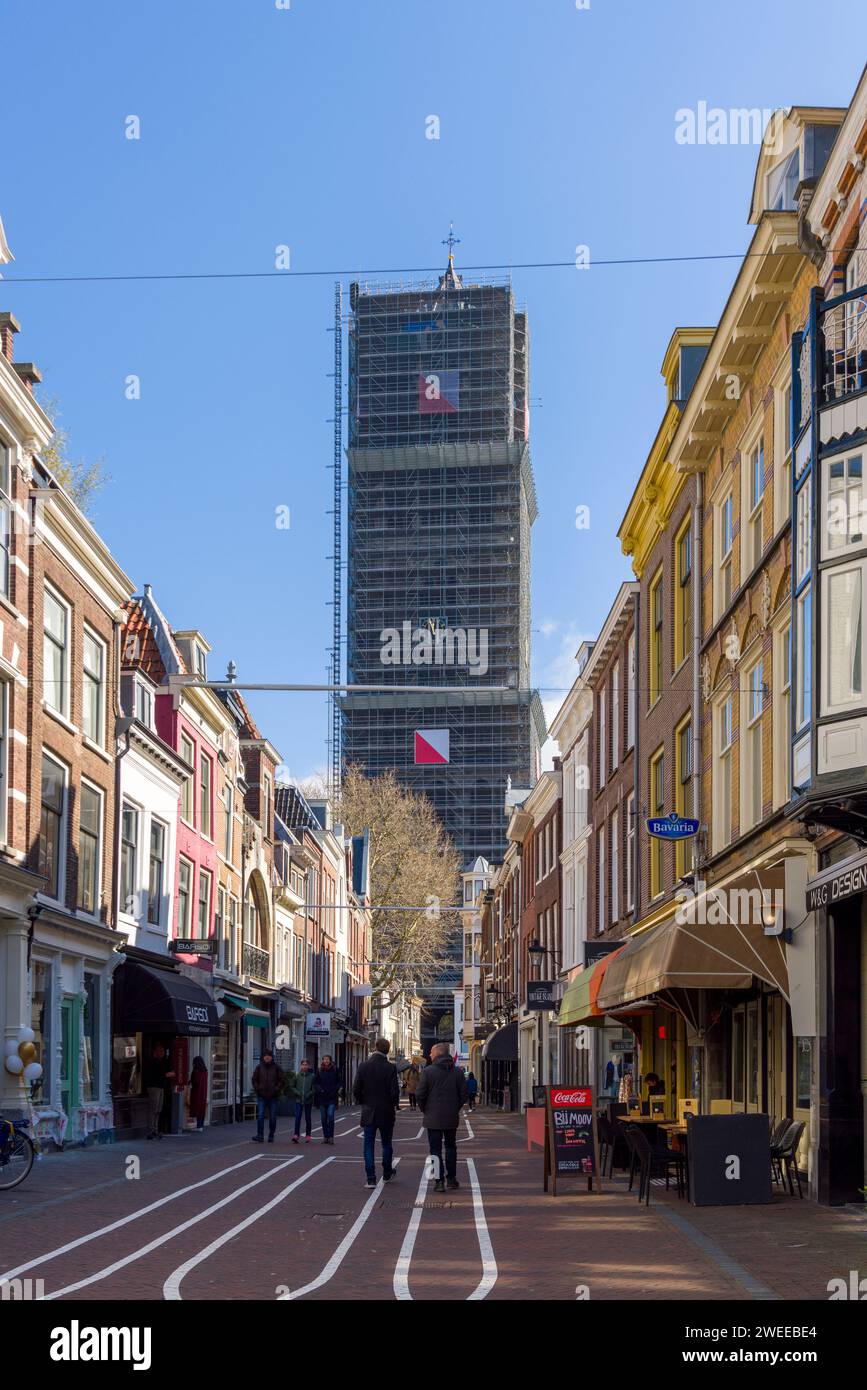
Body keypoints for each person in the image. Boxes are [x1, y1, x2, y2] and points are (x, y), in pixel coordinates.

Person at [416, 1043, 468, 1192]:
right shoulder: (457, 1072)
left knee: (435, 1150)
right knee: (451, 1147)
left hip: (433, 1118)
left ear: (438, 1054)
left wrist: (425, 1109)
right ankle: (451, 1179)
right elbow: (463, 1094)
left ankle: (439, 1181)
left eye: (431, 1053)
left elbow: (420, 1094)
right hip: (451, 1117)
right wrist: (454, 1108)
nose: (430, 1055)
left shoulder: (428, 1072)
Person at [353, 1037, 399, 1188]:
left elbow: (356, 1089)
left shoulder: (363, 1066)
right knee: (386, 1143)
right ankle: (387, 1172)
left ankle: (371, 1178)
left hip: (369, 1110)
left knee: (368, 1144)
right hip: (386, 1111)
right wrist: (393, 1105)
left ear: (375, 1047)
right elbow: (394, 1092)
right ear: (387, 1050)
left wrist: (363, 1102)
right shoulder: (390, 1068)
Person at [144, 1042, 176, 1140]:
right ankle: (150, 1131)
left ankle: (155, 1129)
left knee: (158, 1110)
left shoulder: (162, 1062)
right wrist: (168, 1074)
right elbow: (156, 1075)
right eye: (160, 1051)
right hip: (154, 1087)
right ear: (156, 1052)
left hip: (161, 1087)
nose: (162, 1053)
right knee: (153, 1109)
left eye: (163, 1051)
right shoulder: (152, 1062)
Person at [251, 1048, 283, 1143]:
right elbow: (254, 1079)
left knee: (273, 1117)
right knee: (260, 1116)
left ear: (271, 1057)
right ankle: (260, 1135)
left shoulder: (277, 1067)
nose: (267, 1057)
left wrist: (276, 1089)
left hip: (273, 1096)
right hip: (261, 1095)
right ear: (263, 1057)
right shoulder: (259, 1067)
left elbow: (281, 1080)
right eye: (265, 1056)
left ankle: (271, 1135)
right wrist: (258, 1088)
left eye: (269, 1056)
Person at [314, 1055, 341, 1144]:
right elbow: (316, 1082)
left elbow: (339, 1082)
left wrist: (335, 1089)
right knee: (323, 1118)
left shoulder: (335, 1070)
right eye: (324, 1059)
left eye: (327, 1059)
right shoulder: (319, 1070)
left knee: (330, 1116)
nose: (326, 1061)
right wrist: (320, 1089)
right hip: (322, 1098)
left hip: (332, 1097)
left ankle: (331, 1137)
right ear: (322, 1060)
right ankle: (325, 1136)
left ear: (330, 1060)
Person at [292, 1058, 316, 1143]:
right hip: (298, 1100)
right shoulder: (297, 1075)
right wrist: (297, 1093)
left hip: (308, 1100)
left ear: (308, 1066)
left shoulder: (312, 1076)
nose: (304, 1066)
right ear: (300, 1065)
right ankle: (296, 1134)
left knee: (308, 1118)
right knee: (297, 1117)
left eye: (306, 1065)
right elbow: (292, 1086)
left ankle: (308, 1135)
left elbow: (314, 1089)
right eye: (303, 1064)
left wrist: (309, 1094)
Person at [188, 1055, 208, 1131]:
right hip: (203, 1092)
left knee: (197, 1109)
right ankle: (201, 1125)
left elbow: (195, 1082)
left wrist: (190, 1082)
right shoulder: (205, 1071)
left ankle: (198, 1126)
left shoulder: (196, 1070)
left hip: (197, 1093)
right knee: (201, 1109)